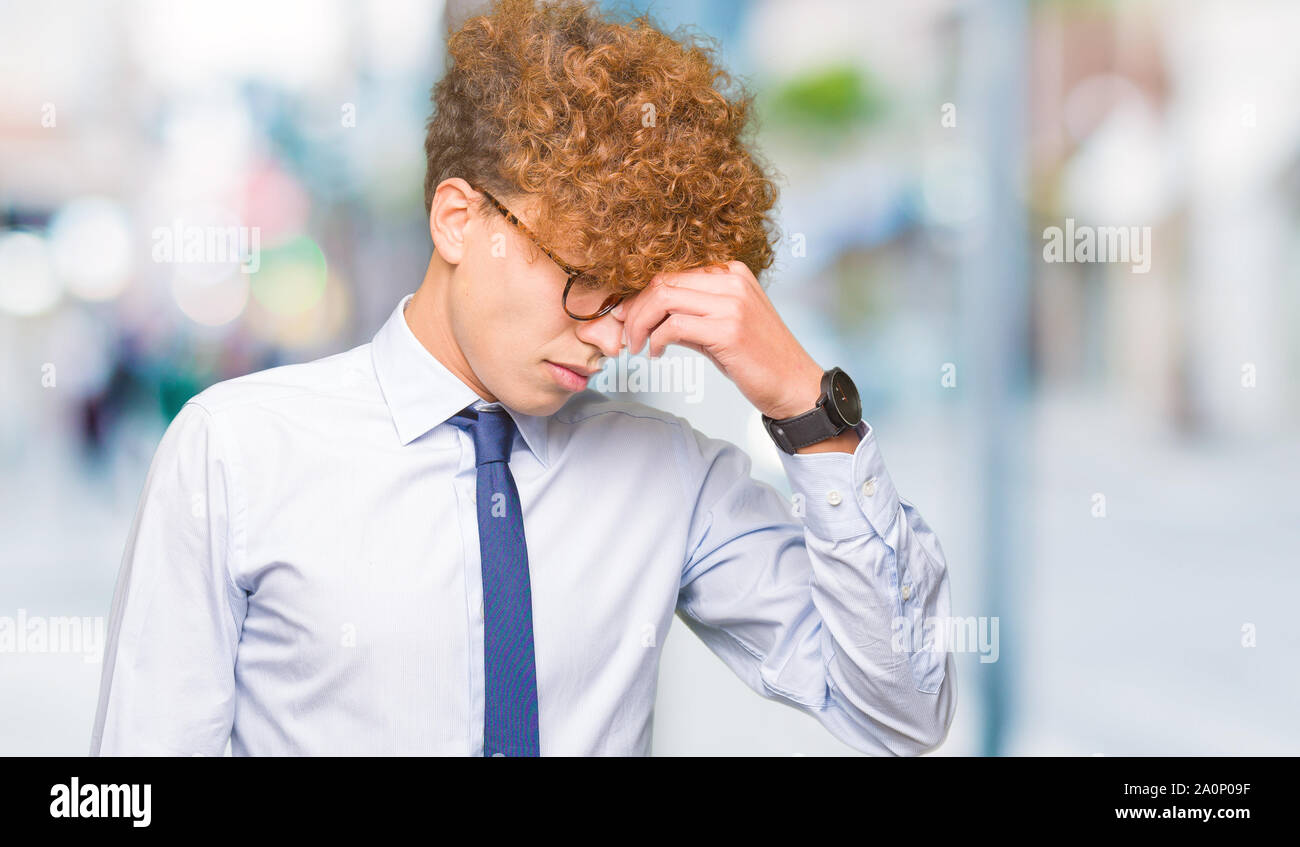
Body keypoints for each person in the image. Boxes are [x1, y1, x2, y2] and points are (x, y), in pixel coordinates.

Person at [90, 0, 956, 756]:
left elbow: (902, 711)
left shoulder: (670, 475)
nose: (609, 334)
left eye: (632, 298)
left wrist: (806, 405)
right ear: (459, 219)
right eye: (584, 278)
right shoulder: (236, 450)